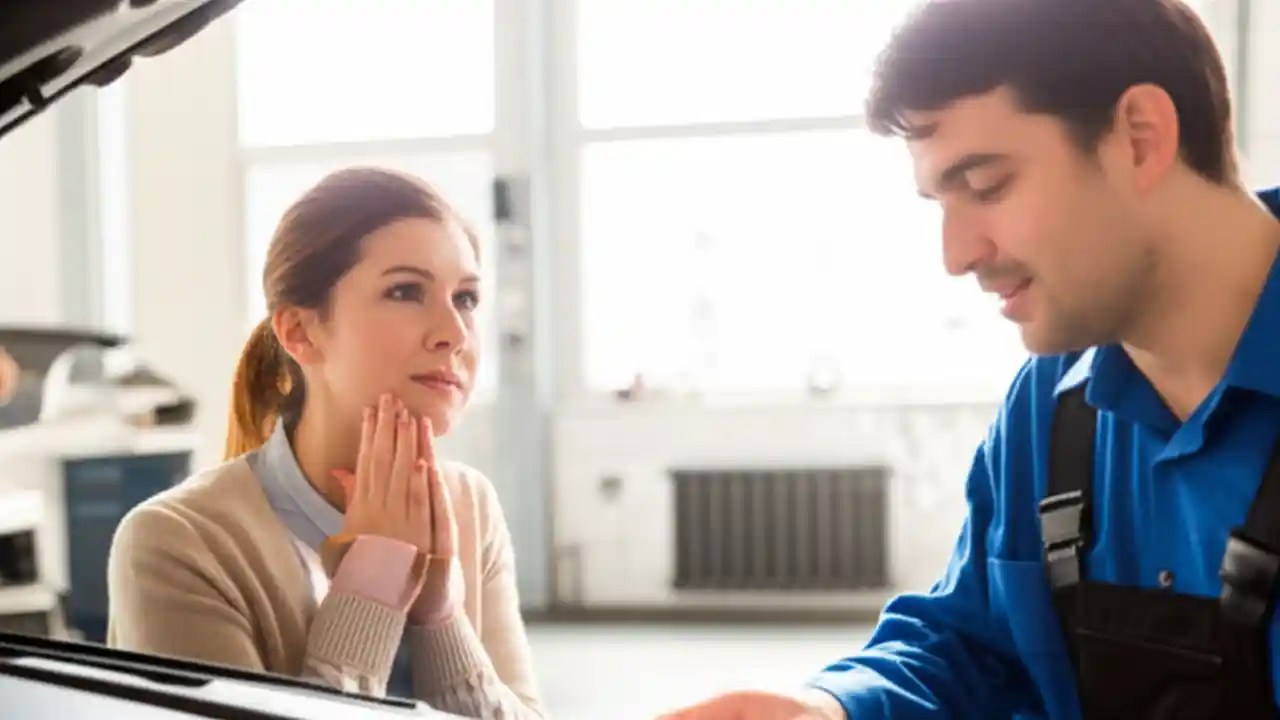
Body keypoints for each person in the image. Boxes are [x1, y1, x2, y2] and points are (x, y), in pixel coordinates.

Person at [663, 1, 1280, 718]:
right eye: (941, 203)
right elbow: (977, 642)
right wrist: (829, 711)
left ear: (1140, 138)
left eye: (987, 186)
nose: (958, 255)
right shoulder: (1050, 409)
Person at [106, 167, 545, 718]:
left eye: (466, 298)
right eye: (406, 291)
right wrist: (372, 593)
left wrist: (442, 618)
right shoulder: (177, 543)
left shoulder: (469, 504)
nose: (454, 333)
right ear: (299, 332)